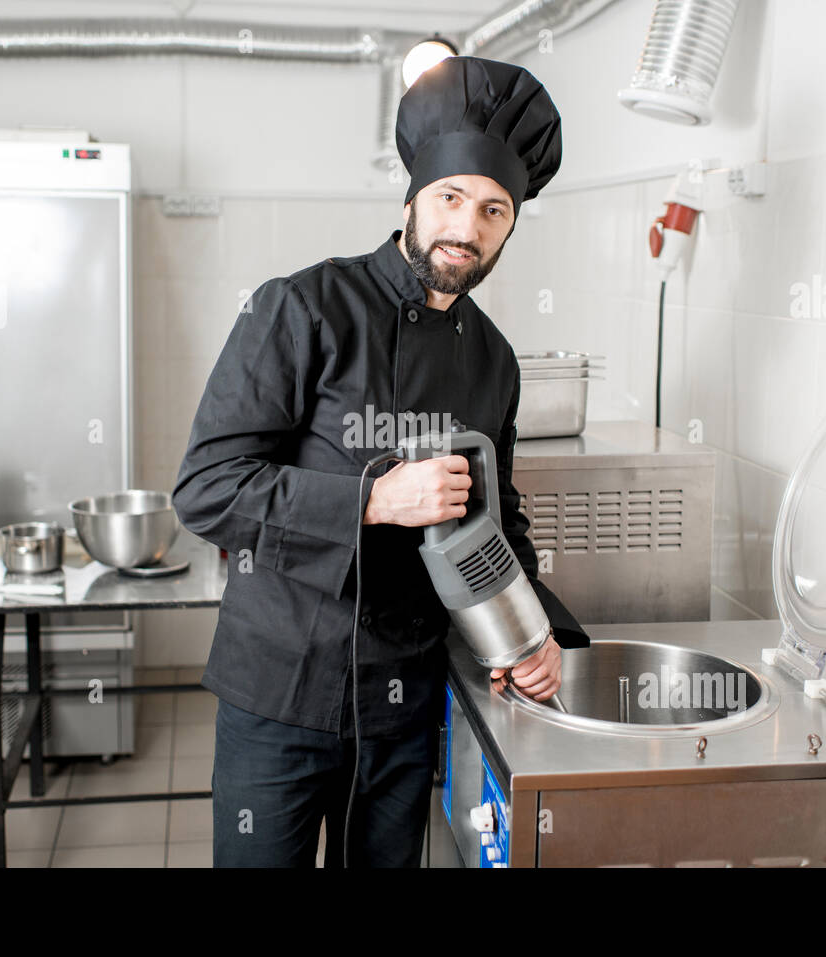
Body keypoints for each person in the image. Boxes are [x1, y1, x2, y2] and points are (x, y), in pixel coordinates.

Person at [172, 55, 588, 868]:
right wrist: (371, 500)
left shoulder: (495, 360)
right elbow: (207, 489)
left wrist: (535, 635)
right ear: (412, 198)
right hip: (281, 694)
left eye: (493, 210)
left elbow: (497, 516)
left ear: (510, 225)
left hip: (403, 705)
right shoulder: (301, 308)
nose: (466, 227)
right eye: (451, 198)